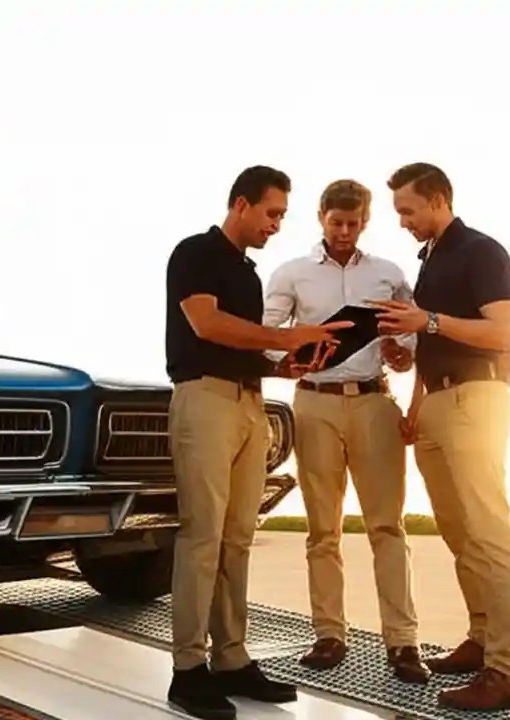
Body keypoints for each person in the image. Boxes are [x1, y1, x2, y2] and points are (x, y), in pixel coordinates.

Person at [164, 165, 353, 720]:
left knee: (238, 537)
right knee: (202, 535)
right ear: (241, 204)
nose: (276, 225)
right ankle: (187, 670)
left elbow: (246, 345)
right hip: (204, 401)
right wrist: (282, 336)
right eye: (272, 213)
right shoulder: (194, 253)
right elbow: (206, 325)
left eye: (282, 217)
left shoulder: (249, 275)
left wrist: (291, 362)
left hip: (249, 405)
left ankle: (230, 658)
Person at [370, 162, 510, 711]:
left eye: (408, 210)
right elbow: (429, 340)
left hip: (475, 400)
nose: (403, 222)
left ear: (437, 200)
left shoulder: (482, 251)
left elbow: (499, 332)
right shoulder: (430, 259)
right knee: (460, 536)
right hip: (436, 404)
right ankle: (482, 639)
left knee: (489, 534)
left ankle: (506, 671)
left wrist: (427, 322)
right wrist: (414, 399)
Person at [260, 179, 430, 684]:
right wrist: (297, 347)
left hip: (374, 401)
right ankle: (329, 635)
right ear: (320, 217)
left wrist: (404, 353)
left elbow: (411, 336)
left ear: (366, 221)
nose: (344, 231)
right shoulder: (291, 273)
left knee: (387, 526)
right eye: (337, 222)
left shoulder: (389, 273)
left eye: (354, 223)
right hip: (314, 403)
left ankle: (403, 643)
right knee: (322, 529)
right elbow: (269, 338)